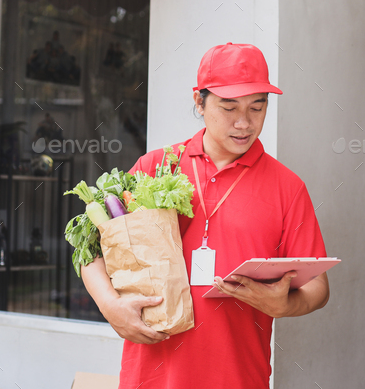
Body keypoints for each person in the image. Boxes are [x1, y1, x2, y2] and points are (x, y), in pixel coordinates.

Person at [81, 42, 330, 389]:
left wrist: (285, 303)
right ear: (199, 101)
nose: (244, 123)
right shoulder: (156, 166)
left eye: (257, 108)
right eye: (229, 108)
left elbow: (318, 287)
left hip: (238, 377)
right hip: (151, 378)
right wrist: (110, 307)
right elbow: (90, 251)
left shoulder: (287, 187)